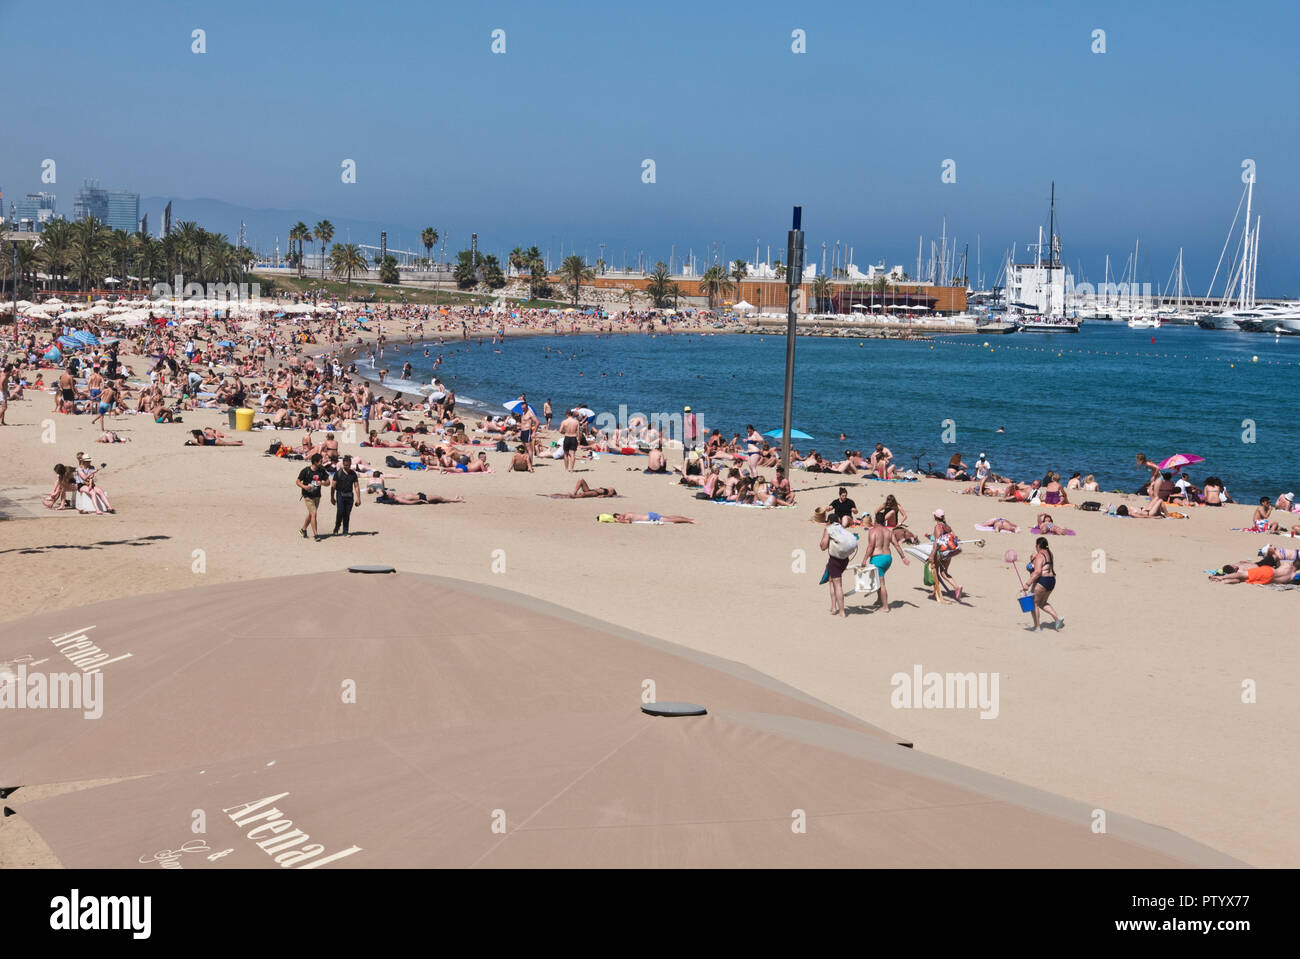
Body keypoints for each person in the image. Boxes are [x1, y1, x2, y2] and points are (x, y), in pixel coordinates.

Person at [815, 506, 857, 617]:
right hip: (845, 559)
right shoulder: (842, 529)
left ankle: (842, 611)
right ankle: (833, 607)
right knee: (831, 580)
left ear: (828, 522)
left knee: (837, 584)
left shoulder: (829, 529)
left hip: (835, 560)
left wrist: (826, 541)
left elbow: (823, 546)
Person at [864, 518, 910, 613]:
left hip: (878, 559)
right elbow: (896, 545)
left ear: (876, 521)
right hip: (888, 558)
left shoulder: (873, 531)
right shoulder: (889, 532)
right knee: (878, 578)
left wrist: (864, 559)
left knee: (881, 583)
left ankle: (885, 607)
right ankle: (879, 600)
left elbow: (870, 546)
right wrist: (903, 557)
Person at [1024, 536, 1063, 630]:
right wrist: (1033, 560)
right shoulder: (1050, 554)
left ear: (1038, 545)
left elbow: (1037, 572)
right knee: (1042, 603)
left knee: (1034, 604)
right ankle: (1057, 619)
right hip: (1052, 580)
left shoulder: (1039, 556)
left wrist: (1027, 584)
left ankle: (1037, 627)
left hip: (1043, 581)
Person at [930, 508, 962, 603]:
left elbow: (937, 541)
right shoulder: (947, 526)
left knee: (935, 571)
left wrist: (933, 554)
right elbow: (955, 537)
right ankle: (936, 592)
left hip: (941, 552)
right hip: (949, 552)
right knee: (943, 572)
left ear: (935, 517)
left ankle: (955, 587)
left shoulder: (938, 527)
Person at [297, 453, 330, 540]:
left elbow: (328, 482)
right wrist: (304, 487)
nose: (322, 462)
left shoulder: (322, 471)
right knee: (314, 514)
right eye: (320, 461)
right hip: (307, 496)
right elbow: (297, 481)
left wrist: (322, 483)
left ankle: (303, 529)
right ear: (315, 462)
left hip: (317, 496)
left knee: (311, 514)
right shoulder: (306, 470)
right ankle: (316, 535)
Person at [331, 455, 361, 535]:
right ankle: (336, 528)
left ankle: (345, 530)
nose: (347, 467)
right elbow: (333, 486)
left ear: (350, 464)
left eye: (348, 465)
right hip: (340, 494)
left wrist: (358, 498)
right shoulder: (338, 473)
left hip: (349, 496)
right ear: (343, 464)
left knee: (347, 514)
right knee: (340, 512)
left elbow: (356, 486)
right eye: (345, 465)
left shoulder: (353, 474)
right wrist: (332, 497)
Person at [598, 512, 695, 524]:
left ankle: (689, 520)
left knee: (672, 520)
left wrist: (619, 521)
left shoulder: (626, 516)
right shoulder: (626, 514)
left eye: (618, 516)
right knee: (671, 517)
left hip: (651, 517)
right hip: (650, 515)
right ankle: (688, 519)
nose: (619, 517)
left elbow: (628, 522)